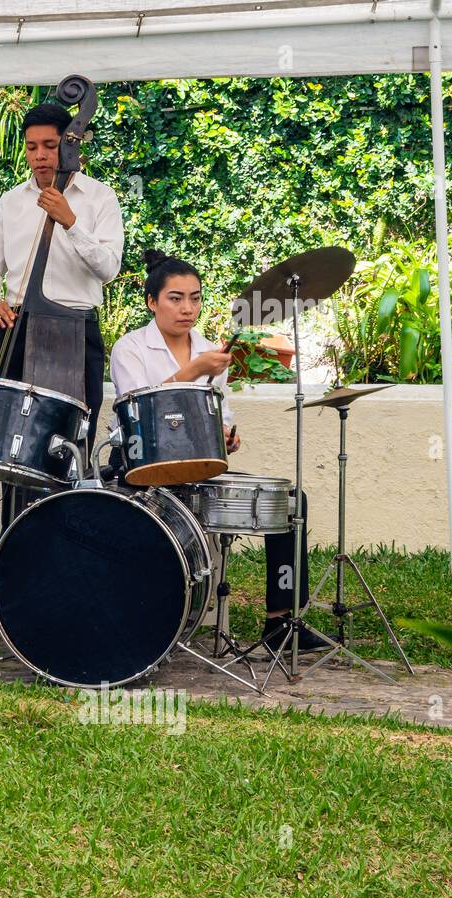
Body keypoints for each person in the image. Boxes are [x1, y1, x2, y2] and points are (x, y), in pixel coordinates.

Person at [109, 250, 328, 652]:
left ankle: (280, 623)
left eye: (194, 298)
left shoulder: (210, 350)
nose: (187, 308)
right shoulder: (130, 349)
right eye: (175, 298)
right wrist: (195, 371)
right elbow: (140, 411)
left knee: (291, 502)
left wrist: (227, 435)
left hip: (196, 468)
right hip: (139, 468)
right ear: (152, 302)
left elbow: (220, 414)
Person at [0, 102, 124, 529]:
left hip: (77, 330)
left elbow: (109, 268)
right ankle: (13, 540)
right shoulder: (10, 202)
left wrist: (70, 221)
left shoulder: (99, 198)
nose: (41, 156)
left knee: (75, 442)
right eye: (32, 146)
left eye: (51, 145)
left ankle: (67, 539)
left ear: (72, 145)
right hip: (18, 330)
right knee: (14, 447)